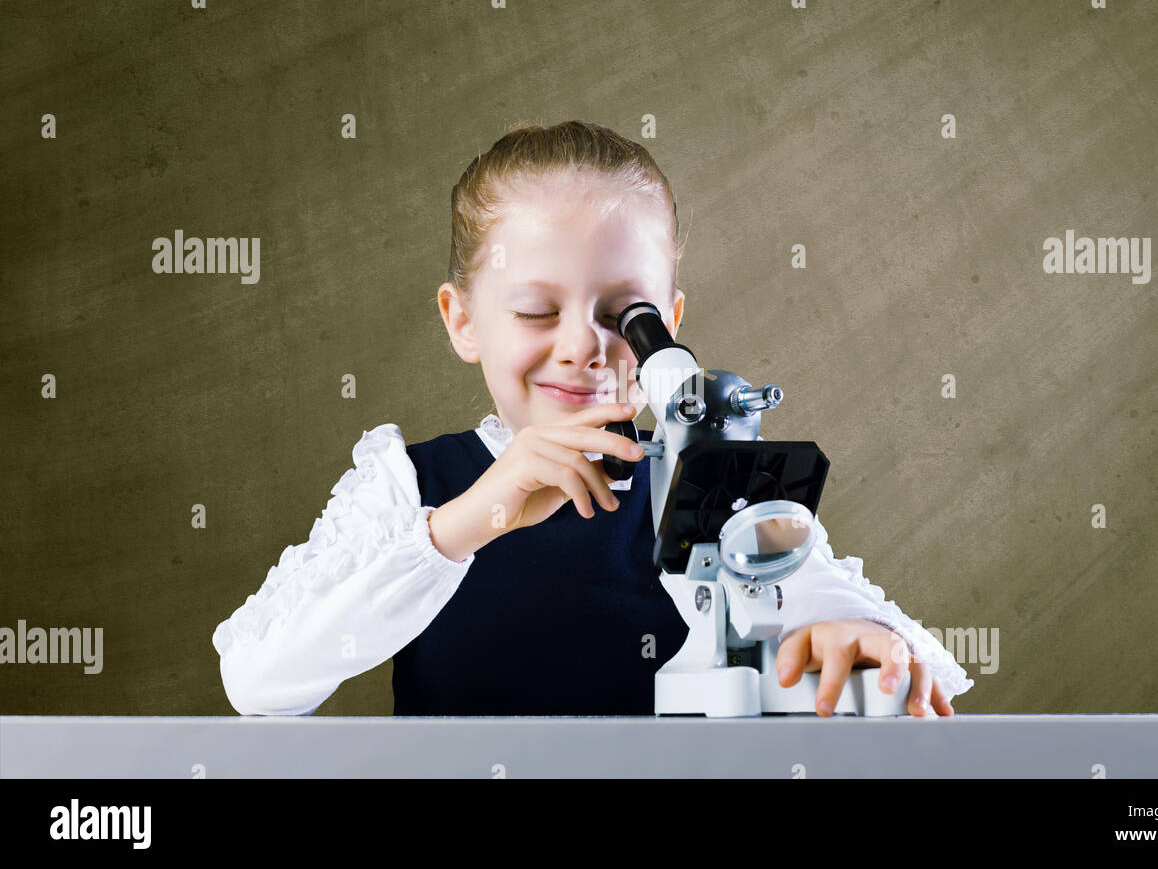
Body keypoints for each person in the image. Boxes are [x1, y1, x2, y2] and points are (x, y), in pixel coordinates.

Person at [212, 119, 974, 717]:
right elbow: (258, 680)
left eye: (624, 315)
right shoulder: (412, 488)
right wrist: (465, 524)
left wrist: (855, 639)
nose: (582, 346)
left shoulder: (707, 485)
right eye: (537, 310)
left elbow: (818, 601)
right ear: (463, 320)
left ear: (670, 324)